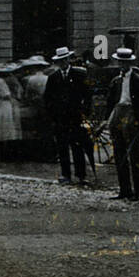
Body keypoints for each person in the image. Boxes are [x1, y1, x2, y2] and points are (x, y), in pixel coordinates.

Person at [106, 47, 139, 202]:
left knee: (134, 154)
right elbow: (111, 102)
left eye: (125, 62)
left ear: (130, 63)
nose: (122, 65)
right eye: (120, 62)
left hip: (132, 114)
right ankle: (125, 190)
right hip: (119, 113)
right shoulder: (116, 81)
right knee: (119, 154)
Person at [44, 47, 91, 185]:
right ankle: (66, 175)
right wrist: (52, 115)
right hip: (60, 119)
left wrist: (85, 111)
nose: (63, 63)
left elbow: (87, 94)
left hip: (75, 117)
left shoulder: (78, 75)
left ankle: (81, 175)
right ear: (58, 62)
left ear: (69, 60)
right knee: (62, 147)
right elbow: (48, 98)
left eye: (65, 60)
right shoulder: (53, 78)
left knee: (77, 147)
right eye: (60, 61)